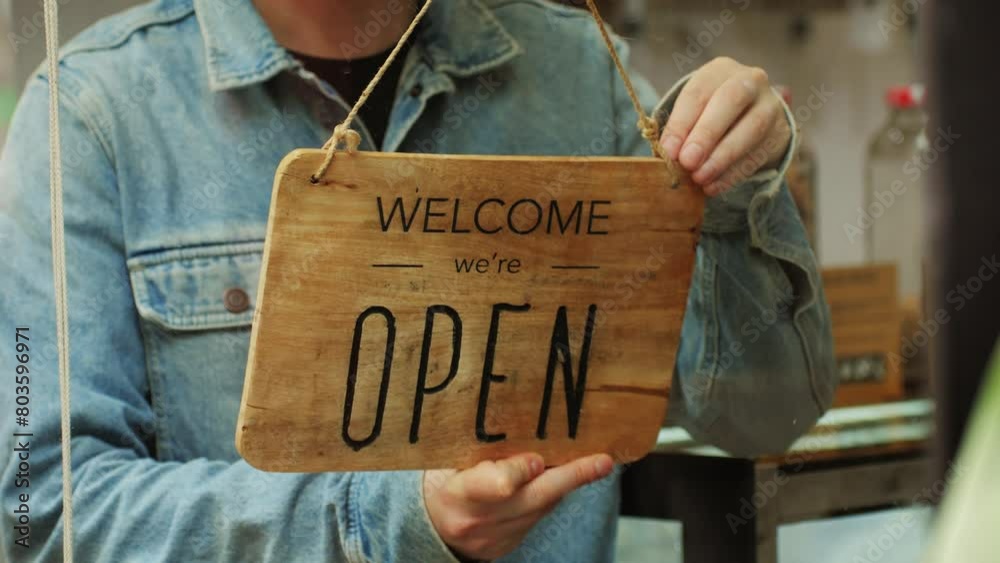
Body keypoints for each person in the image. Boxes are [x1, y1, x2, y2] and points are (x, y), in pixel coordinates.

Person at [0, 0, 836, 560]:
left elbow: (770, 411)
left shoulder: (581, 70)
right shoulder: (91, 112)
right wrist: (388, 518)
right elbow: (36, 513)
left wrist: (740, 187)